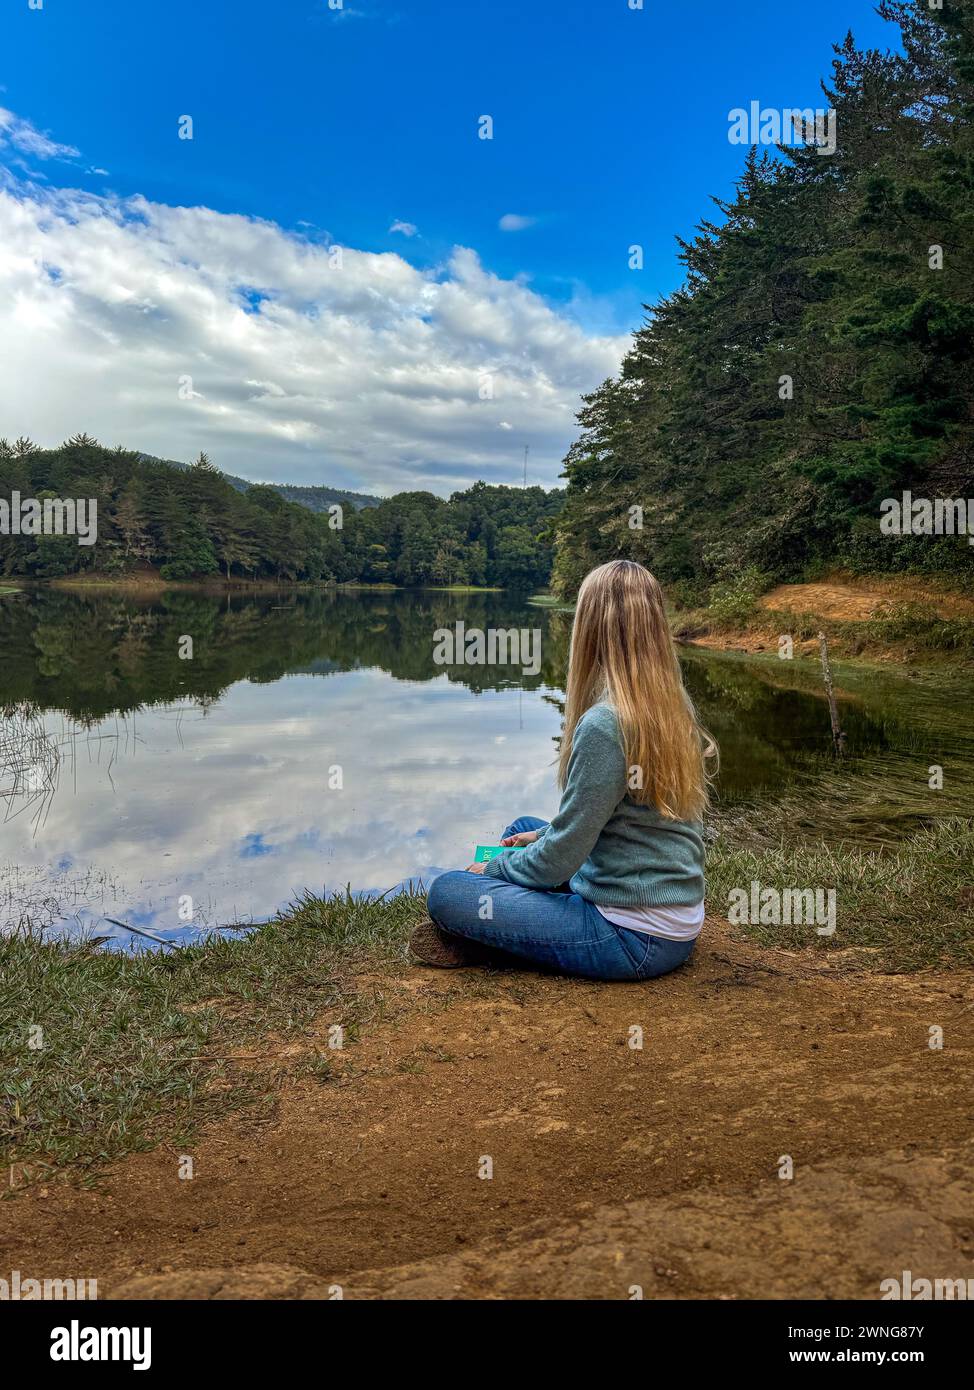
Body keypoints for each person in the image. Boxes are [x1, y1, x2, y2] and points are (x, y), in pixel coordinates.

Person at [410, 559, 717, 980]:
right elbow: (608, 822)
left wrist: (495, 869)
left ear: (589, 628)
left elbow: (559, 861)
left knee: (448, 893)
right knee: (525, 825)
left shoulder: (606, 724)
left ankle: (487, 934)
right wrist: (540, 837)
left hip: (632, 936)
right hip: (676, 917)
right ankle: (502, 926)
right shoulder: (670, 708)